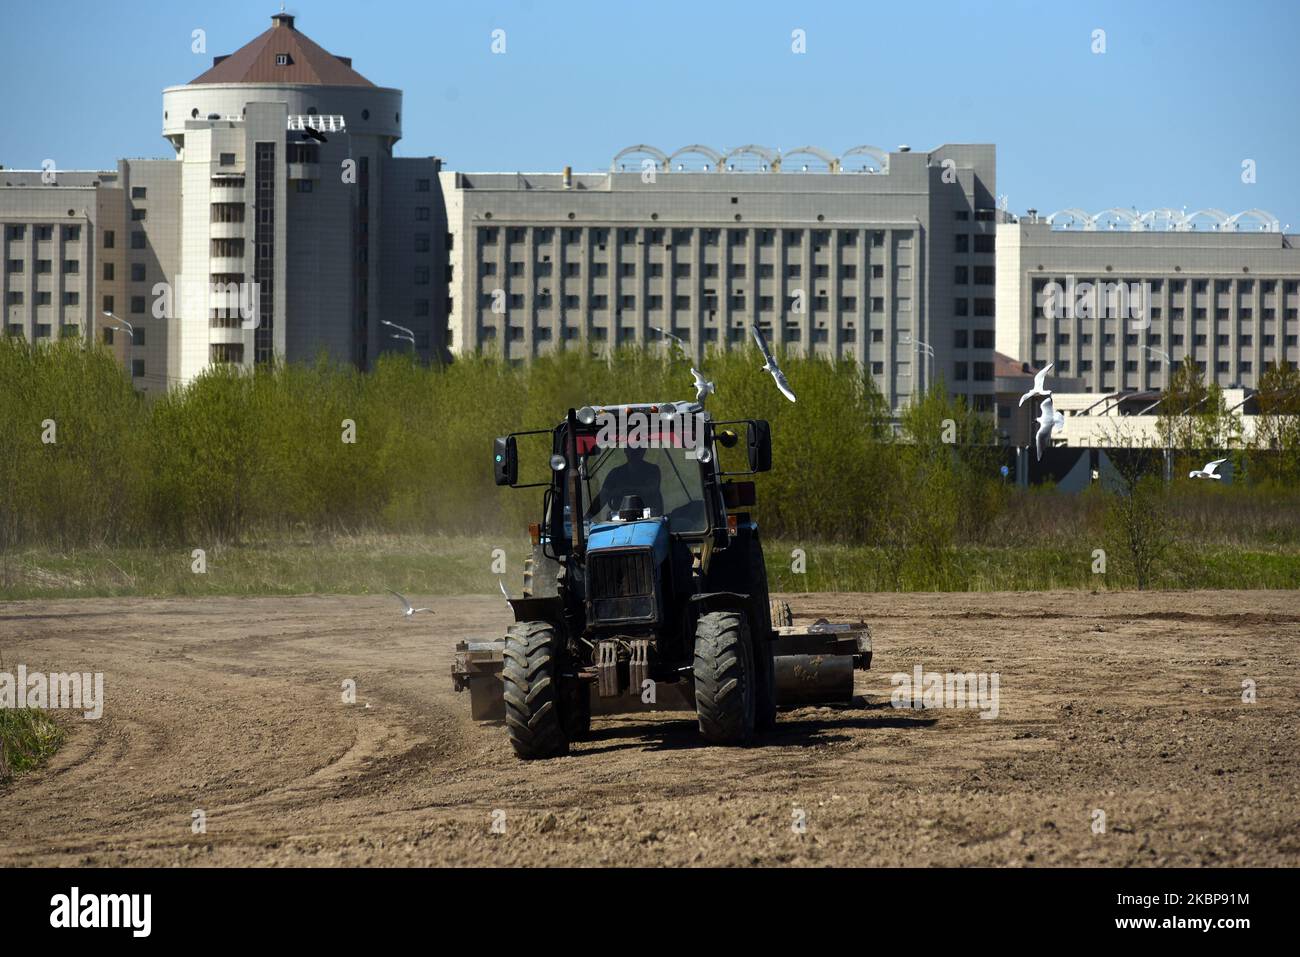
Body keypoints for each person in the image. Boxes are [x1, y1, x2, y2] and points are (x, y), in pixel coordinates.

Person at [593, 446, 664, 518]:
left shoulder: (652, 470)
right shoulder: (615, 473)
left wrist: (622, 491)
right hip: (619, 522)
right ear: (625, 449)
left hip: (650, 521)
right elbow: (603, 497)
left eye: (638, 448)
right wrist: (587, 517)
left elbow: (651, 489)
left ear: (644, 450)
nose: (634, 451)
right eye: (631, 448)